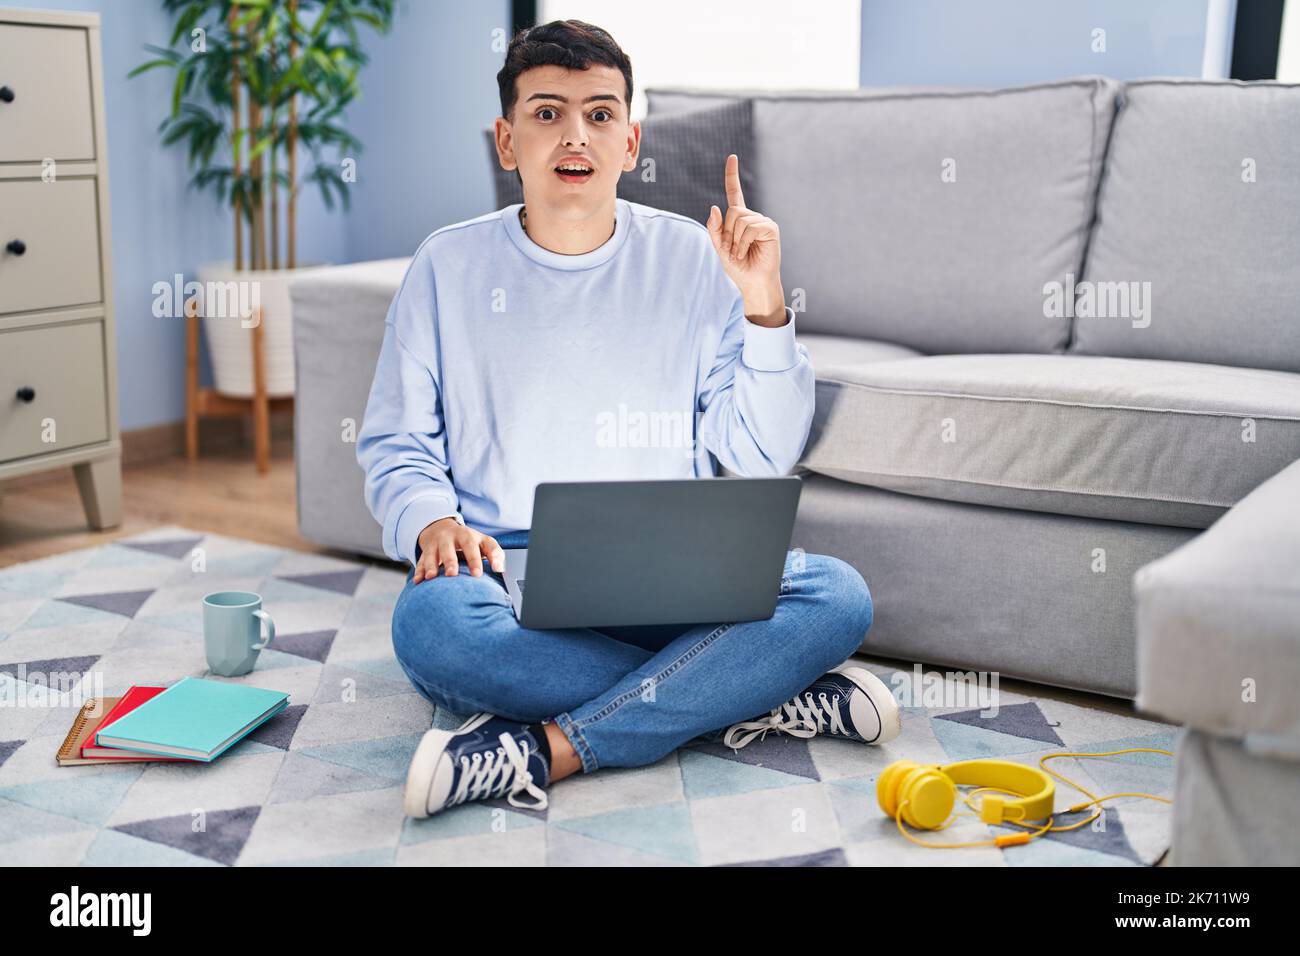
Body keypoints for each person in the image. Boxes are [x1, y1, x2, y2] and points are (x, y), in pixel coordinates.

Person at [356, 19, 899, 819]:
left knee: (838, 595)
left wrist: (765, 310)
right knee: (432, 630)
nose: (575, 135)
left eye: (600, 114)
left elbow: (754, 457)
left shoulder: (692, 257)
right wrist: (431, 518)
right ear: (507, 141)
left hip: (667, 573)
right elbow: (395, 440)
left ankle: (554, 747)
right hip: (502, 575)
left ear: (630, 139)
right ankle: (752, 692)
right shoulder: (447, 264)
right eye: (546, 114)